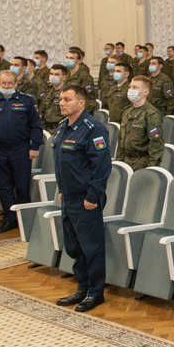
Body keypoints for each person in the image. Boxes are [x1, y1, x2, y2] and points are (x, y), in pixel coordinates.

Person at [53, 84, 113, 313]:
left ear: (81, 103)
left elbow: (101, 167)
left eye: (67, 99)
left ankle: (95, 293)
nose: (61, 103)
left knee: (91, 248)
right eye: (60, 99)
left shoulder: (93, 129)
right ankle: (82, 287)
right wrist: (62, 189)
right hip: (68, 197)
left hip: (85, 199)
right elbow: (64, 165)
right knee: (74, 247)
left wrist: (93, 195)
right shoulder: (63, 127)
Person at [0, 70, 44, 233]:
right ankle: (9, 219)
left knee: (22, 186)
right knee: (3, 186)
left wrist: (34, 146)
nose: (6, 86)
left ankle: (24, 219)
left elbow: (36, 125)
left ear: (16, 84)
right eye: (3, 83)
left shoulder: (26, 100)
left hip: (21, 149)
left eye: (10, 83)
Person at [116, 75, 165, 170]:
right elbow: (121, 139)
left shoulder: (151, 113)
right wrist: (120, 162)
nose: (130, 89)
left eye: (135, 87)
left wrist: (151, 168)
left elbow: (156, 143)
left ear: (145, 92)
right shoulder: (127, 112)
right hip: (126, 162)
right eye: (130, 87)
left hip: (142, 163)